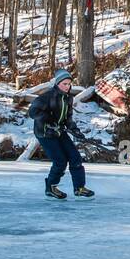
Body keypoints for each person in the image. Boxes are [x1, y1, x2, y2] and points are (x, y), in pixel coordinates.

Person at [28, 70, 94, 200]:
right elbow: (33, 112)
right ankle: (50, 187)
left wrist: (75, 130)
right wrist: (48, 119)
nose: (67, 86)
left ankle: (79, 188)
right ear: (57, 83)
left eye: (69, 84)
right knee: (60, 161)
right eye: (64, 84)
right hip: (45, 133)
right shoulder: (47, 97)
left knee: (75, 158)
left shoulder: (68, 98)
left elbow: (67, 118)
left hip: (59, 131)